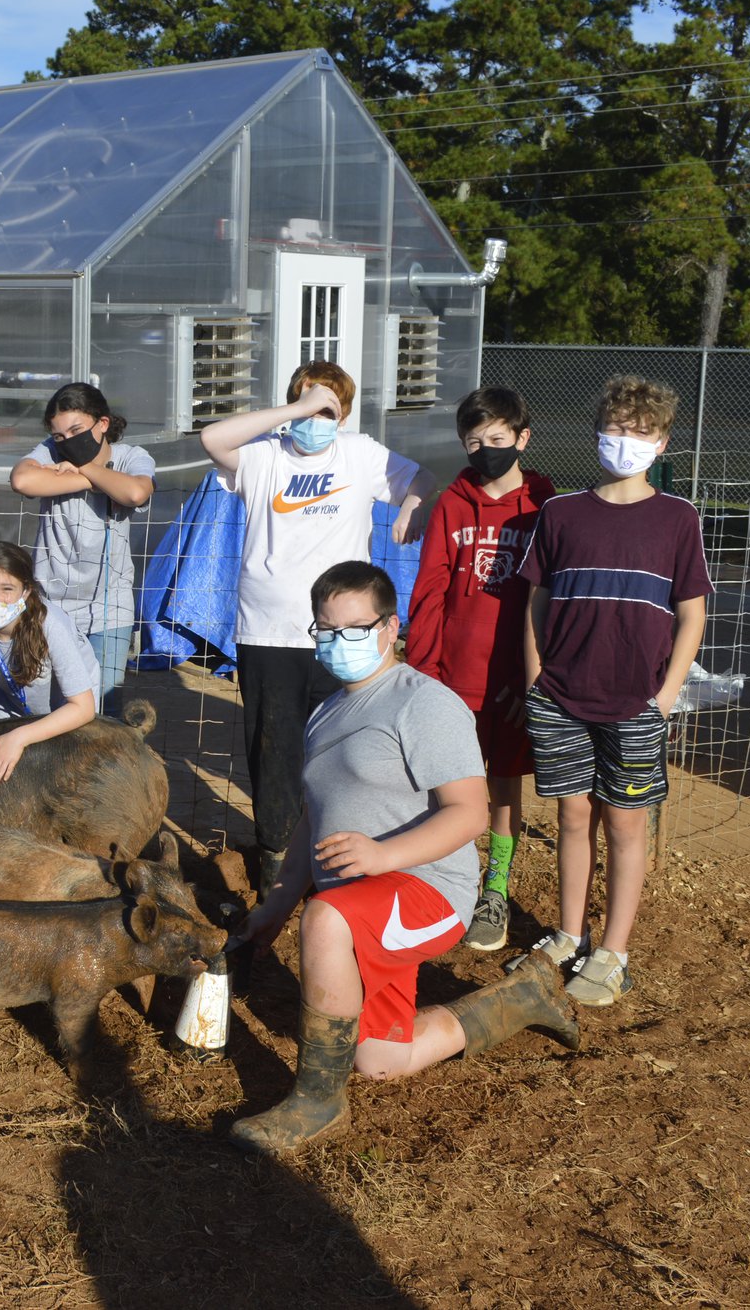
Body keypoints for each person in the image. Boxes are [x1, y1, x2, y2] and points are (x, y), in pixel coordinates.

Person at [228, 562, 580, 1155]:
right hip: (363, 896)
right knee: (381, 1060)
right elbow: (315, 819)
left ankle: (318, 1101)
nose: (338, 643)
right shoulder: (326, 712)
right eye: (325, 630)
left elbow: (470, 813)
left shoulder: (425, 705)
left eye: (354, 629)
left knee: (328, 919)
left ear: (391, 628)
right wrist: (276, 902)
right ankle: (520, 998)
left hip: (427, 889)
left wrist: (382, 854)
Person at [199, 360, 436, 895]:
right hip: (268, 631)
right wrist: (299, 408)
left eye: (330, 408)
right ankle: (275, 862)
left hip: (341, 634)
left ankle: (339, 851)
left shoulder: (360, 453)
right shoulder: (262, 456)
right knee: (273, 751)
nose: (317, 418)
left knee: (343, 748)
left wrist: (414, 504)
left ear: (346, 414)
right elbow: (212, 437)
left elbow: (420, 475)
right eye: (309, 405)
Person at [510, 376, 711, 1007]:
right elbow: (535, 604)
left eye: (640, 431)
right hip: (561, 697)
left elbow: (693, 613)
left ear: (662, 442)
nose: (626, 441)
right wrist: (535, 678)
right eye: (617, 428)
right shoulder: (561, 513)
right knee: (572, 817)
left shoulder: (678, 518)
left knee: (626, 824)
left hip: (635, 701)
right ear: (597, 433)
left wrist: (668, 692)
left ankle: (613, 951)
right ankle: (569, 935)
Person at [405, 387, 556, 952]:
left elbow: (553, 598)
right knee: (450, 784)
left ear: (521, 438)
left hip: (514, 678)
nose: (486, 450)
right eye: (474, 442)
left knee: (503, 786)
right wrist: (425, 672)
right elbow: (431, 591)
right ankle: (448, 881)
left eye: (497, 440)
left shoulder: (545, 507)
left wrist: (538, 679)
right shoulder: (452, 503)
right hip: (454, 675)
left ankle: (495, 886)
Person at [11, 383, 156, 713]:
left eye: (76, 430)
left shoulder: (131, 456)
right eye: (60, 436)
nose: (67, 442)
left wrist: (81, 469)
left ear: (102, 423)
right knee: (48, 709)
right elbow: (22, 481)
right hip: (51, 605)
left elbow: (135, 493)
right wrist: (96, 479)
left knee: (99, 712)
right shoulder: (50, 451)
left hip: (109, 610)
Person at [0, 540, 100, 799]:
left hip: (67, 715)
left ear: (25, 592)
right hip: (14, 708)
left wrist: (20, 737)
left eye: (7, 588)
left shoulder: (51, 626)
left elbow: (83, 707)